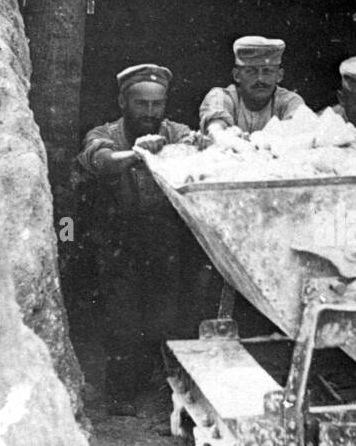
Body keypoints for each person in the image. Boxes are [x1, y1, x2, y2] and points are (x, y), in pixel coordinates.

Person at [75, 64, 196, 416]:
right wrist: (138, 154)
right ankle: (121, 393)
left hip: (165, 242)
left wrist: (197, 147)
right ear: (122, 102)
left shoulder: (175, 132)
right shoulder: (106, 132)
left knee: (165, 316)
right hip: (119, 243)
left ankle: (162, 389)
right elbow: (100, 159)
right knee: (121, 320)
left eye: (157, 104)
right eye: (141, 104)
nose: (149, 112)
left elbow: (198, 151)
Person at [199, 35, 311, 149]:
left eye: (268, 71)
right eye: (251, 72)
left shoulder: (290, 101)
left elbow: (299, 139)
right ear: (237, 75)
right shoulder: (221, 97)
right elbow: (216, 133)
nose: (260, 79)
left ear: (279, 75)